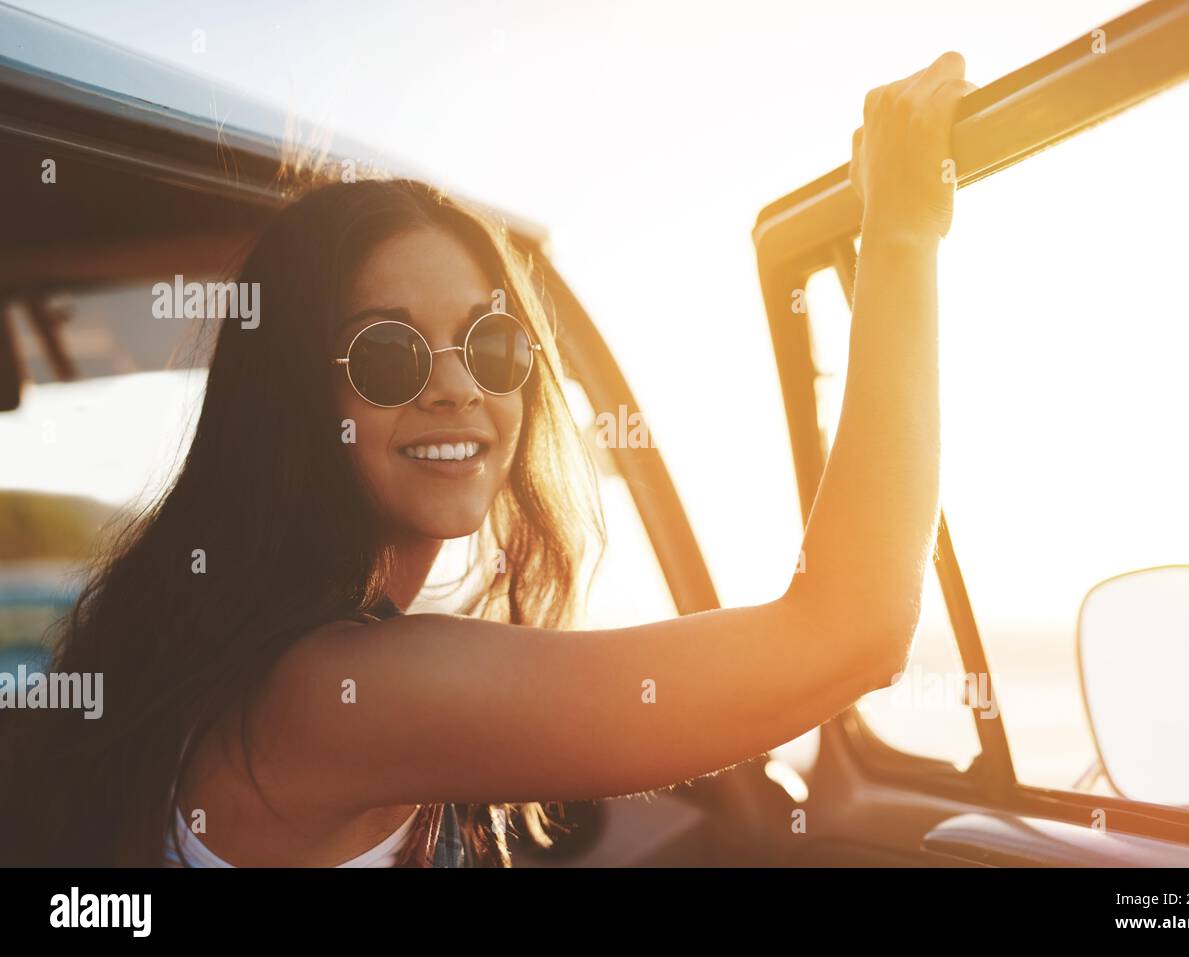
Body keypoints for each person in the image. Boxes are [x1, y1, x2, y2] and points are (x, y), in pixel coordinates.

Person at [0, 52, 975, 866]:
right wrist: (898, 231)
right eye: (389, 352)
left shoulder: (223, 643)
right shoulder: (344, 693)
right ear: (293, 395)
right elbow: (855, 629)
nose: (460, 387)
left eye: (493, 343)